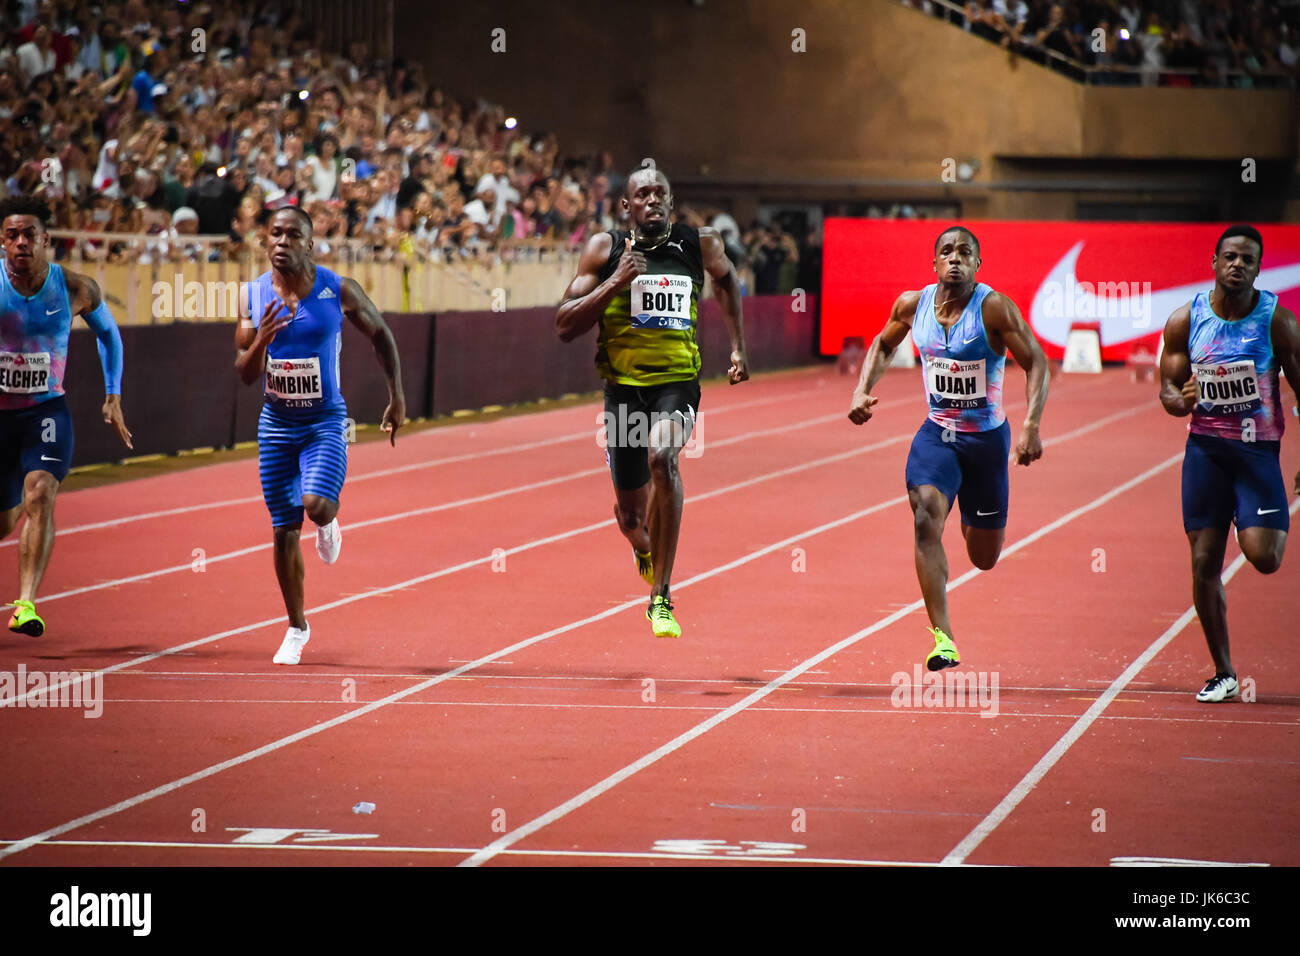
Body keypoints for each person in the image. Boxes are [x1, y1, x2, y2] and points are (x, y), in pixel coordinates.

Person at [556, 161, 749, 639]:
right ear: (626, 206)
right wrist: (616, 282)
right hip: (623, 390)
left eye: (660, 193)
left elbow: (726, 281)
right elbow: (564, 324)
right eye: (642, 195)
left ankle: (660, 595)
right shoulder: (606, 249)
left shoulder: (697, 244)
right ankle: (643, 548)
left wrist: (738, 345)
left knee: (664, 460)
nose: (653, 200)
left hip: (677, 383)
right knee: (631, 518)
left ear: (670, 199)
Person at [848, 226, 1049, 670]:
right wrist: (862, 389)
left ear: (978, 264)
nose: (954, 258)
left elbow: (1036, 360)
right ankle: (943, 636)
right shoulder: (911, 305)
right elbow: (883, 344)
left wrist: (1031, 424)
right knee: (924, 516)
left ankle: (969, 514)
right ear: (933, 263)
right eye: (946, 252)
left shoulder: (993, 308)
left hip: (986, 441)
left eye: (965, 253)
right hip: (938, 435)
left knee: (984, 557)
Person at [235, 206, 404, 665]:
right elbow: (245, 373)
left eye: (292, 235)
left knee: (317, 506)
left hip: (324, 421)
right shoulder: (252, 295)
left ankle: (328, 522)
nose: (281, 242)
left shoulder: (337, 289)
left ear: (310, 244)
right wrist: (261, 340)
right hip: (275, 424)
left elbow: (382, 335)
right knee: (283, 528)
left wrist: (396, 396)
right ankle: (296, 627)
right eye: (275, 234)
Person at [1159, 224, 1300, 702]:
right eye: (1231, 257)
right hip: (1206, 453)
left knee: (1264, 557)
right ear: (1214, 262)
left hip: (1257, 454)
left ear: (1259, 270)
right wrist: (1182, 401)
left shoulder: (1276, 321)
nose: (1238, 265)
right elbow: (1167, 392)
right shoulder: (1185, 319)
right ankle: (1223, 670)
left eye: (1248, 260)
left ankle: (1250, 517)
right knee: (1203, 563)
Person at [0, 195, 132, 637]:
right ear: (2, 241)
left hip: (45, 412)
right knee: (5, 520)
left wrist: (113, 394)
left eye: (29, 235)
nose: (21, 243)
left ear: (45, 240)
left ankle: (26, 604)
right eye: (12, 235)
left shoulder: (75, 288)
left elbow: (110, 337)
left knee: (41, 493)